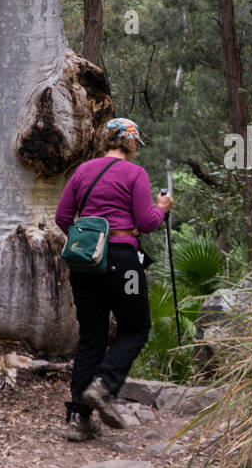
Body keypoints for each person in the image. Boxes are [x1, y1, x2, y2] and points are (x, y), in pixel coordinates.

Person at [55, 116, 174, 441]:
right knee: (135, 328)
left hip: (86, 266)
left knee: (91, 338)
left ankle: (78, 420)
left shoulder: (82, 171)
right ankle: (104, 385)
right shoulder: (134, 173)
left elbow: (62, 217)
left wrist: (89, 245)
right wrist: (162, 207)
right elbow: (147, 222)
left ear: (105, 140)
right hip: (124, 264)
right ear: (131, 143)